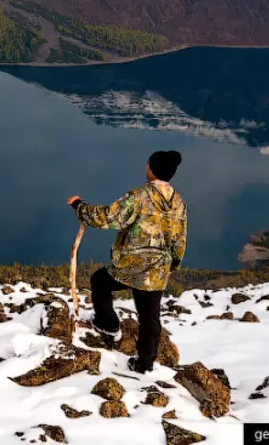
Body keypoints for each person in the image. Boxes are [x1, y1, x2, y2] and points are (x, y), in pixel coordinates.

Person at [66, 150, 187, 374]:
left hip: (132, 266)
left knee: (100, 281)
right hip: (158, 269)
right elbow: (179, 238)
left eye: (148, 163)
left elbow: (107, 217)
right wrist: (173, 265)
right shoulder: (178, 201)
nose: (146, 165)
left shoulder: (140, 196)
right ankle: (145, 364)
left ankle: (108, 324)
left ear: (152, 168)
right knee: (150, 317)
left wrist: (79, 206)